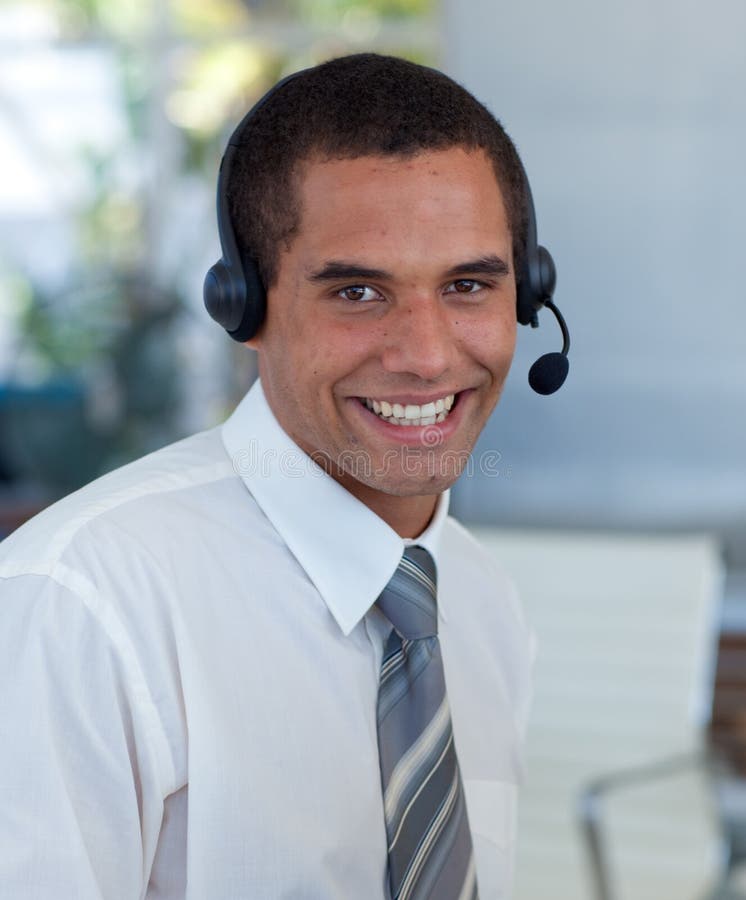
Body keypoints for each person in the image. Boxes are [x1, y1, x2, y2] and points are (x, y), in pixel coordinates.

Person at [0, 54, 539, 899]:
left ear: (528, 296)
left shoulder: (483, 603)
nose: (428, 355)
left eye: (469, 285)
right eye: (359, 292)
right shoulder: (81, 607)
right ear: (242, 308)